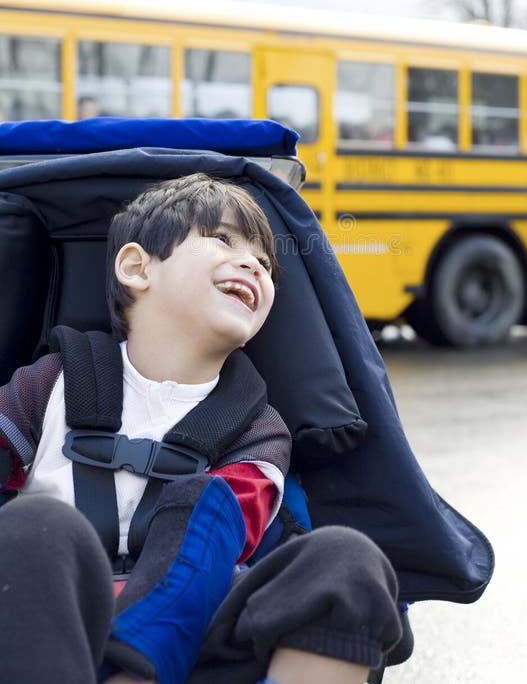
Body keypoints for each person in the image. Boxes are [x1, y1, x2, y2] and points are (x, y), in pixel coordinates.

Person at [0, 173, 402, 684]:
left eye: (266, 262)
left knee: (345, 560)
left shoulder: (258, 428)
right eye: (223, 239)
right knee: (38, 526)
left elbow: (220, 543)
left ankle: (136, 669)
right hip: (51, 626)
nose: (253, 262)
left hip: (195, 635)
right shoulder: (51, 383)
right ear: (136, 267)